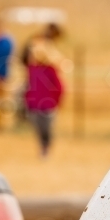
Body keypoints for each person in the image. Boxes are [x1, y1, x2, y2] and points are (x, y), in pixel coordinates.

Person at [24, 24, 65, 157]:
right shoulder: (32, 70)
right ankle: (42, 148)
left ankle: (46, 148)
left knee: (47, 129)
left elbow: (59, 87)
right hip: (35, 105)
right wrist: (28, 101)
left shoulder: (50, 70)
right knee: (38, 128)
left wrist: (56, 101)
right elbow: (29, 86)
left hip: (48, 105)